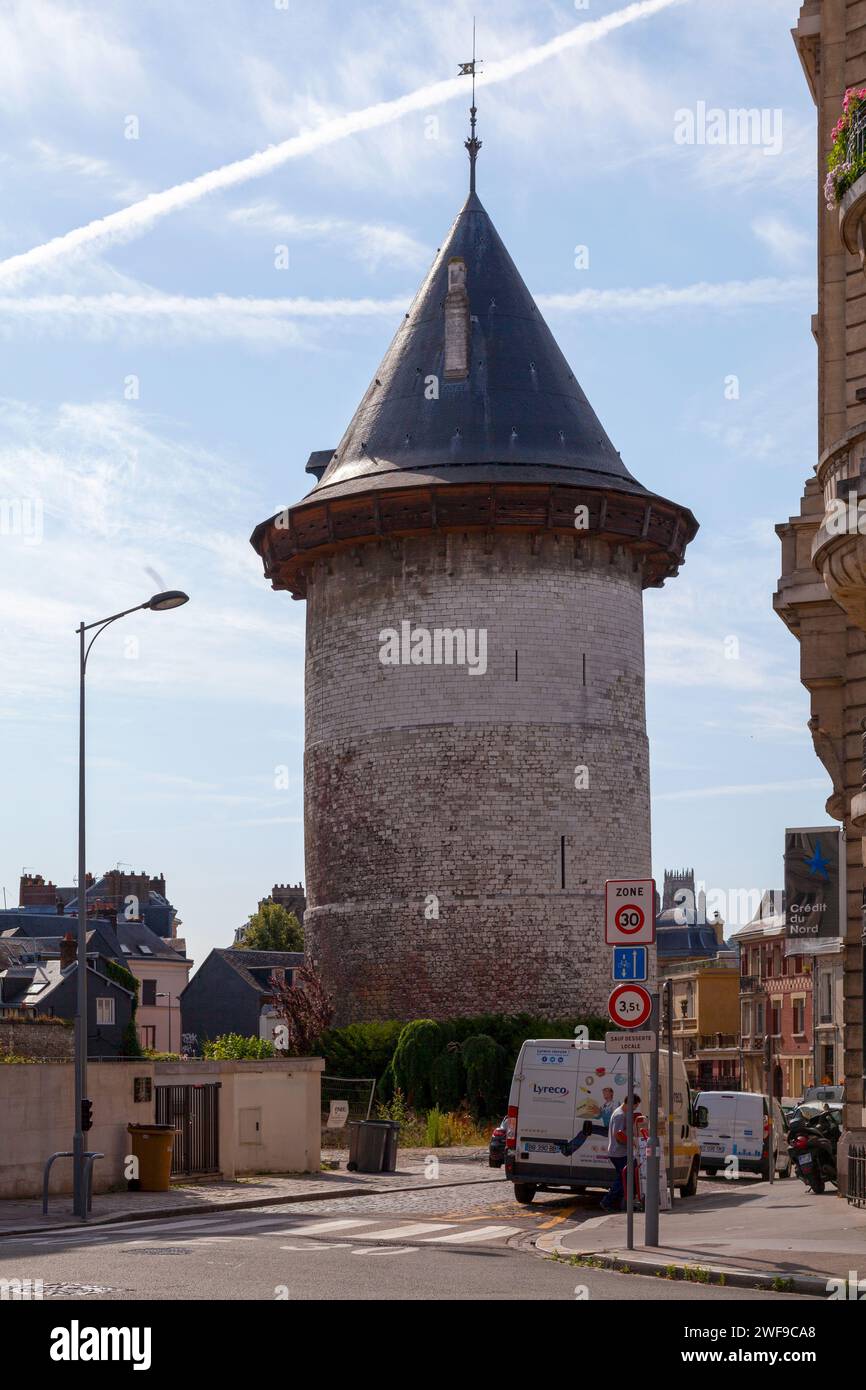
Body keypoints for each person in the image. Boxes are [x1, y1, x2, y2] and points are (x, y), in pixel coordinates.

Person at [601, 1093, 640, 1213]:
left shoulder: (623, 1113)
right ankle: (607, 1201)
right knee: (624, 1177)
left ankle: (618, 1202)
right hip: (618, 1152)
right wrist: (631, 1142)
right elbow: (618, 1135)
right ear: (629, 1103)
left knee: (625, 1177)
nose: (634, 1109)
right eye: (634, 1107)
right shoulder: (620, 1115)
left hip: (621, 1151)